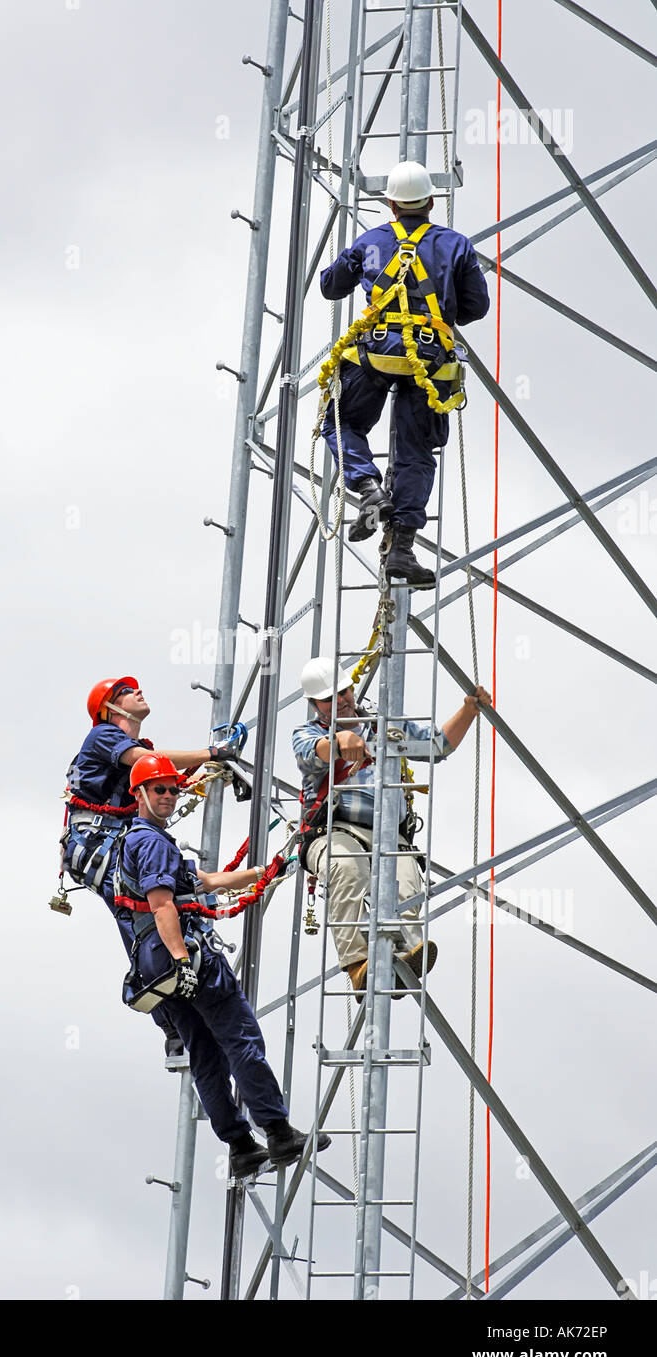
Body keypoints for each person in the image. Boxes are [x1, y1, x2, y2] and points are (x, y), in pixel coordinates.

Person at [116, 753, 331, 1179]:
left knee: (205, 1054)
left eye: (173, 789)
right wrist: (184, 962)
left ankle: (239, 1146)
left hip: (157, 972)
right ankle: (277, 1130)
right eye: (159, 789)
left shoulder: (137, 842)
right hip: (184, 960)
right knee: (240, 1037)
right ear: (138, 793)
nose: (168, 796)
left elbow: (207, 882)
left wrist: (264, 874)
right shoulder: (154, 843)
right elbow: (163, 907)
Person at [319, 160, 490, 587]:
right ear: (432, 201)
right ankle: (402, 549)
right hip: (429, 360)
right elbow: (476, 308)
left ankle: (369, 489)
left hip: (375, 352)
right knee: (416, 452)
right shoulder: (455, 244)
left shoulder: (372, 240)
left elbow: (330, 286)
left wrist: (361, 263)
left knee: (340, 423)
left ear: (390, 203)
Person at [62, 675, 246, 1053]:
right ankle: (172, 1010)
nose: (137, 691)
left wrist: (199, 775)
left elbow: (156, 775)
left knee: (154, 909)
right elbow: (148, 762)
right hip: (97, 840)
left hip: (107, 840)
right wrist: (213, 753)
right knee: (144, 914)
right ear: (109, 709)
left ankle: (179, 1012)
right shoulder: (103, 736)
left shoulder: (131, 750)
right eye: (126, 692)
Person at [293, 657, 491, 997]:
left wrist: (469, 711)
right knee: (348, 869)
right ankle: (358, 964)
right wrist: (341, 742)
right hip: (334, 832)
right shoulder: (307, 733)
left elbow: (437, 745)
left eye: (344, 691)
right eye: (330, 698)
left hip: (389, 834)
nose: (341, 700)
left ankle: (400, 961)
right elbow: (314, 752)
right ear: (315, 705)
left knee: (407, 885)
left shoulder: (383, 726)